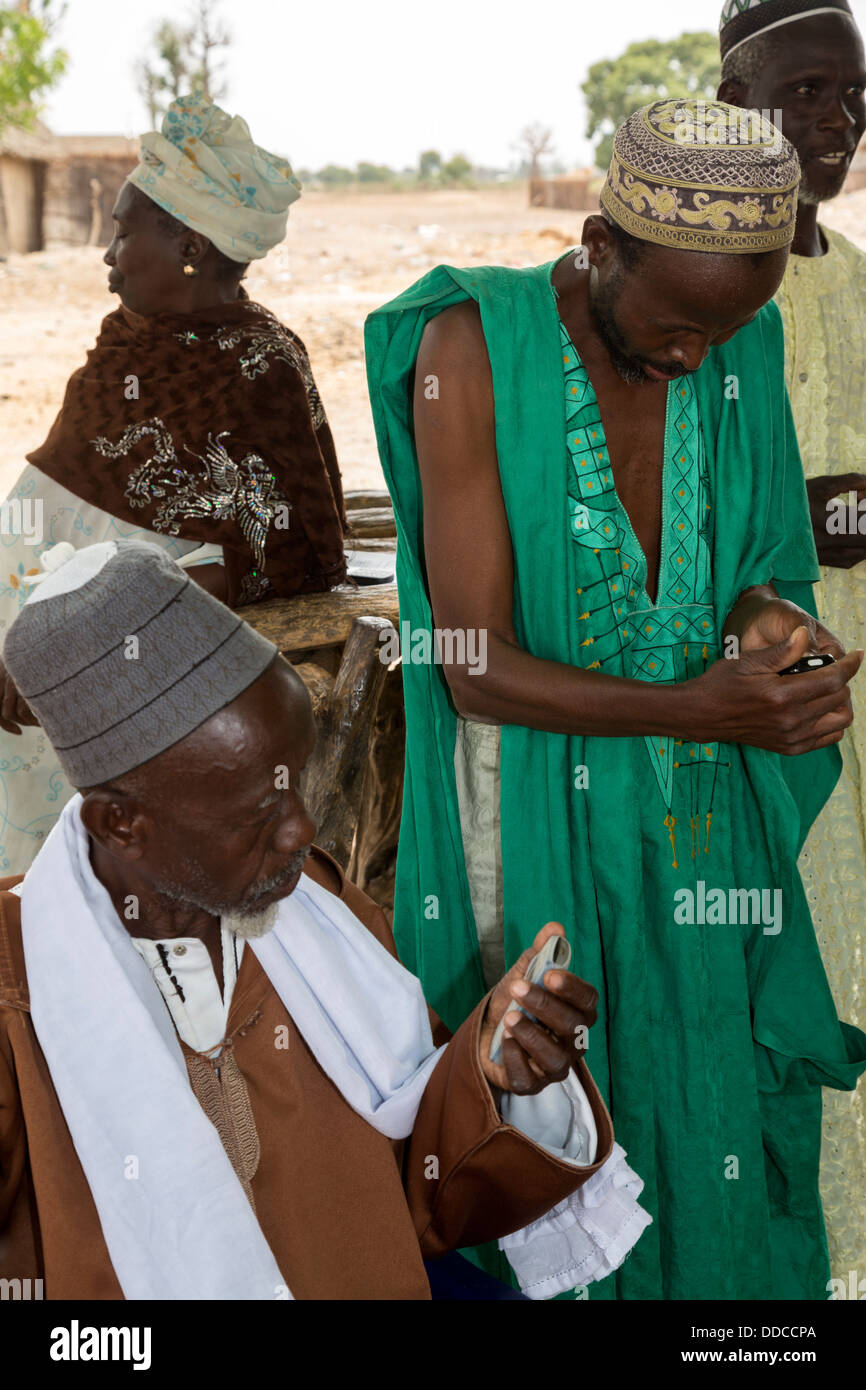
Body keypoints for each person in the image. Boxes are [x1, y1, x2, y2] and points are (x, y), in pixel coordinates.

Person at [364, 98, 866, 1299]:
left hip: (690, 807)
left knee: (707, 1095)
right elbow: (472, 661)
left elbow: (751, 567)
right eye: (675, 323)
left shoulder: (732, 340)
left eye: (725, 330)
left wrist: (774, 638)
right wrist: (711, 710)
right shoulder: (470, 350)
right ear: (597, 241)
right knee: (546, 1095)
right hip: (526, 796)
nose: (696, 358)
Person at [0, 539, 649, 1301]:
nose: (303, 830)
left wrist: (501, 1076)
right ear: (121, 825)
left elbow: (413, 1194)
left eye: (296, 781)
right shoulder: (22, 998)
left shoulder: (318, 910)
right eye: (257, 812)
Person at [0, 94, 347, 875]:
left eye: (124, 233)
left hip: (106, 663)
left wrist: (84, 643)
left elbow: (293, 552)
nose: (108, 253)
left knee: (76, 854)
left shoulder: (260, 365)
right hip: (26, 642)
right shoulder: (126, 341)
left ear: (190, 247)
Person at [718, 0, 866, 1280]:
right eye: (804, 93)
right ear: (732, 98)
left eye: (852, 97)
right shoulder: (699, 286)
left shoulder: (857, 280)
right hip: (754, 688)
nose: (836, 122)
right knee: (777, 958)